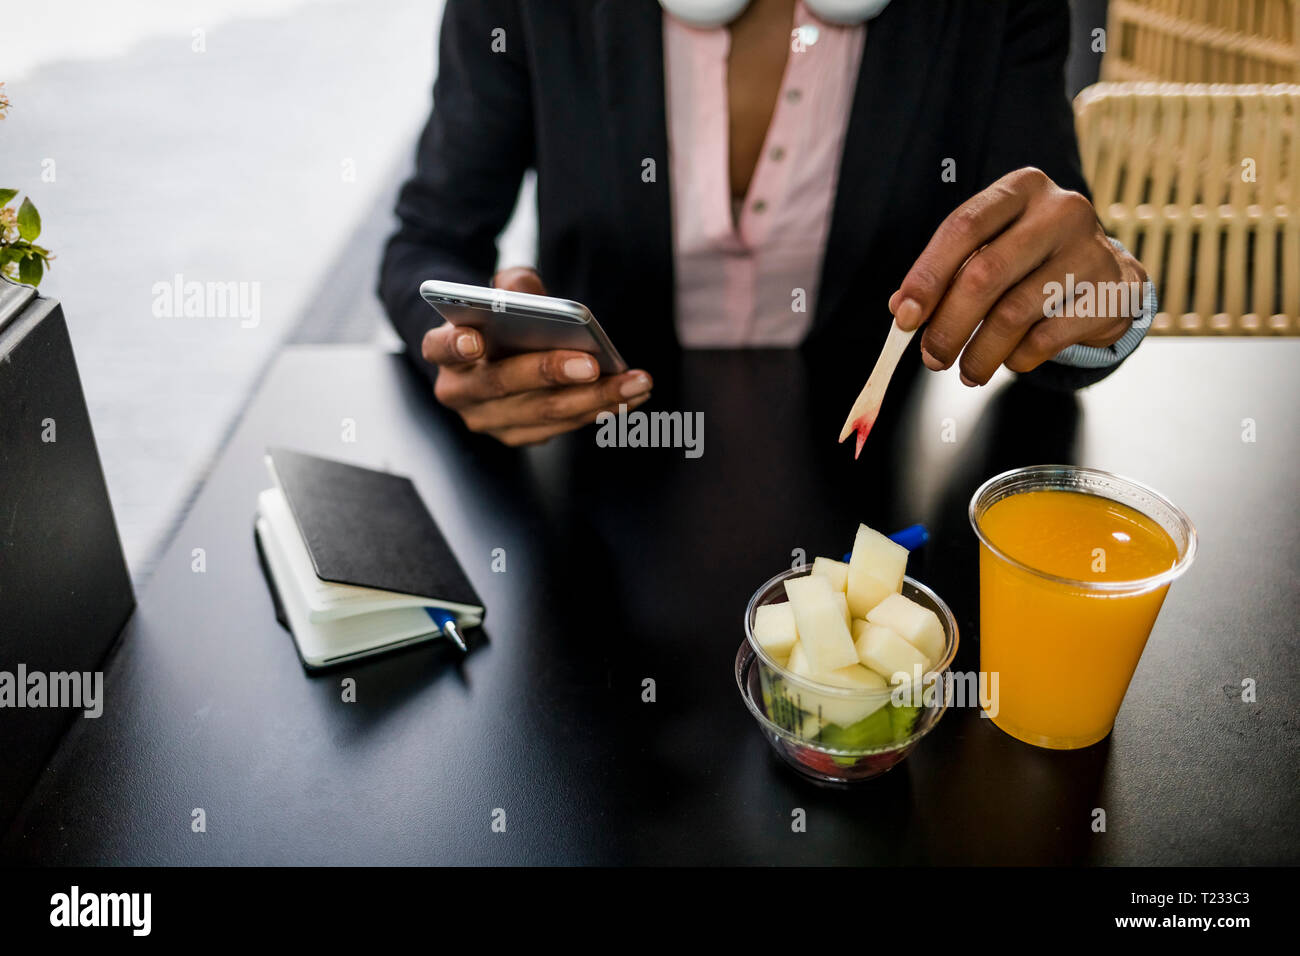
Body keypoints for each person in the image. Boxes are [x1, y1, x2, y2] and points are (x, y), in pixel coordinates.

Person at [380, 0, 1153, 448]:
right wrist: (476, 352)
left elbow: (1065, 296)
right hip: (590, 492)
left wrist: (1103, 301)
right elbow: (427, 242)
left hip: (869, 490)